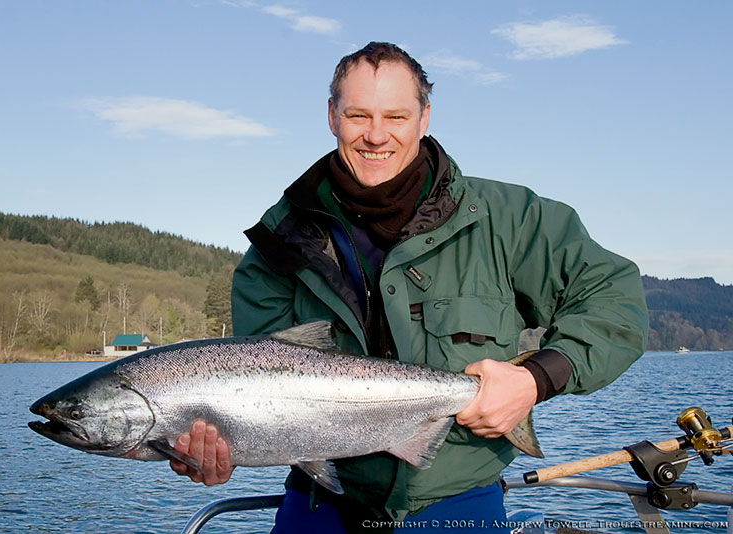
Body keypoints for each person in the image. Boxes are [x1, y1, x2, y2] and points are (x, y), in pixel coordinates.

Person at [170, 42, 649, 532]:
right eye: (358, 115)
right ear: (332, 116)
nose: (377, 135)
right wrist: (225, 448)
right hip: (320, 505)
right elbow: (254, 396)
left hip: (460, 503)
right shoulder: (278, 245)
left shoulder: (509, 219)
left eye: (396, 117)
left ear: (424, 119)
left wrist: (536, 379)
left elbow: (615, 300)